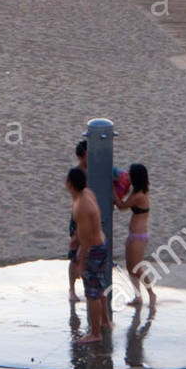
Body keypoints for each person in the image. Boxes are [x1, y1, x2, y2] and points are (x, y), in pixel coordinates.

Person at [67, 167, 108, 343]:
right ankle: (105, 321)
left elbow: (87, 239)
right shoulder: (86, 194)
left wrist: (81, 262)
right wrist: (75, 237)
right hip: (101, 244)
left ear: (69, 184)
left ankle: (95, 333)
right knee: (100, 286)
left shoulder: (81, 205)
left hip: (94, 249)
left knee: (92, 294)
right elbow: (87, 228)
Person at [115, 163, 155, 308]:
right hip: (134, 234)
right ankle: (137, 296)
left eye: (130, 175)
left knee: (137, 268)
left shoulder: (139, 196)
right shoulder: (136, 192)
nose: (128, 177)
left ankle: (151, 293)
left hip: (139, 235)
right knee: (130, 267)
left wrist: (112, 190)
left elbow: (121, 206)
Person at [68, 141, 87, 301]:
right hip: (78, 214)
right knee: (75, 254)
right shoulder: (76, 172)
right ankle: (72, 289)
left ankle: (88, 286)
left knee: (88, 251)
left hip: (90, 214)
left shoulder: (96, 170)